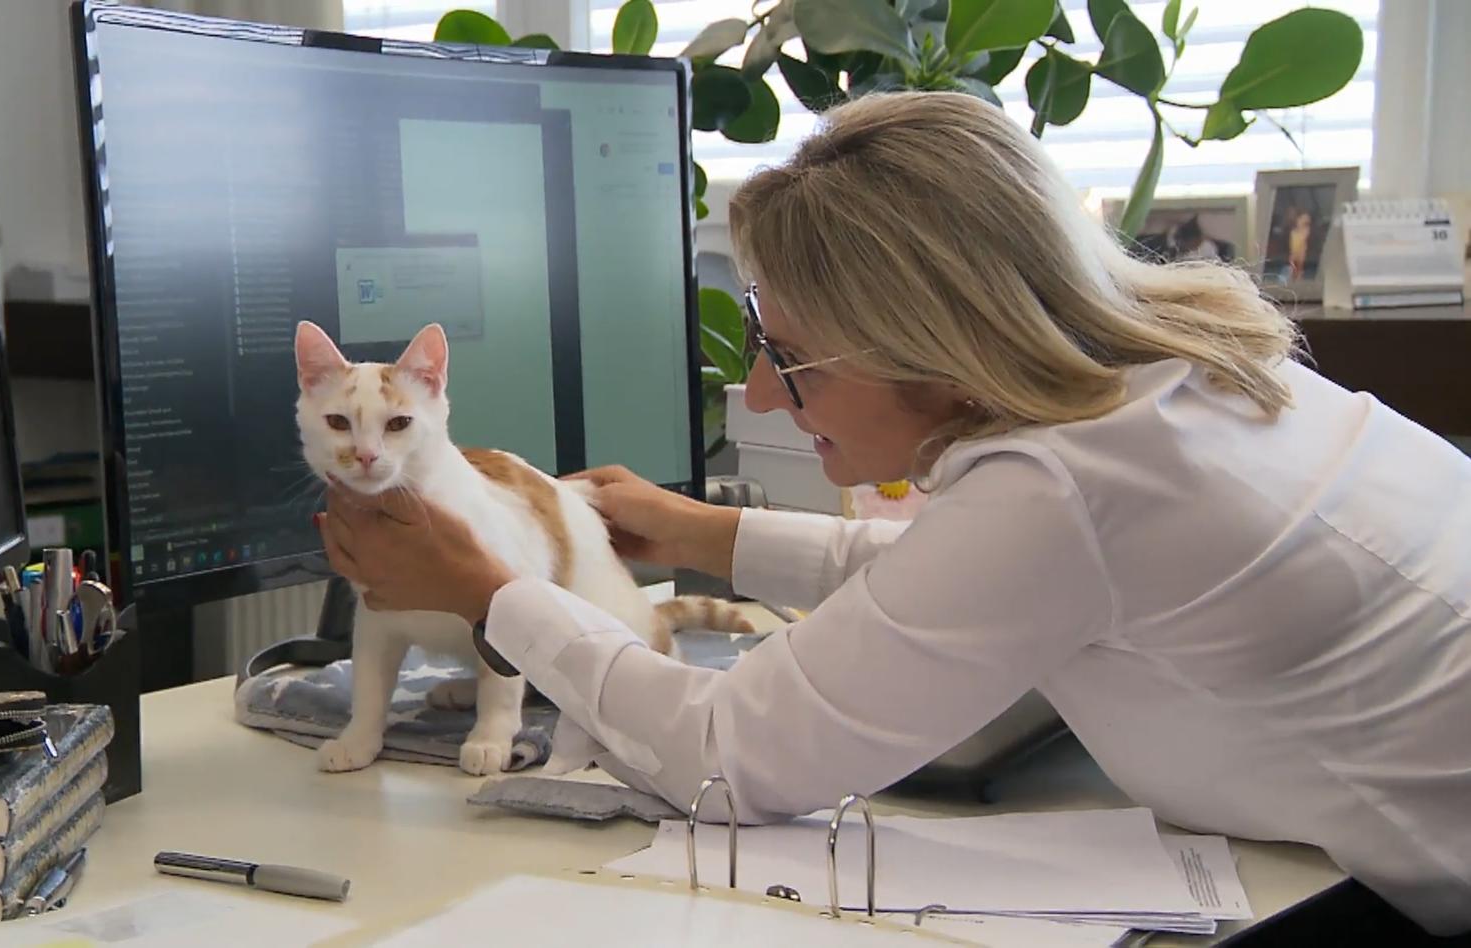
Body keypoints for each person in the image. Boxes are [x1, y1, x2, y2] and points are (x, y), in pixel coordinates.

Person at [316, 92, 1471, 938]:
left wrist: (485, 590)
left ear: (928, 346)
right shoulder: (1170, 383)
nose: (764, 395)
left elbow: (727, 760)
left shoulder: (1065, 486)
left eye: (790, 356)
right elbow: (970, 570)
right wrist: (710, 536)